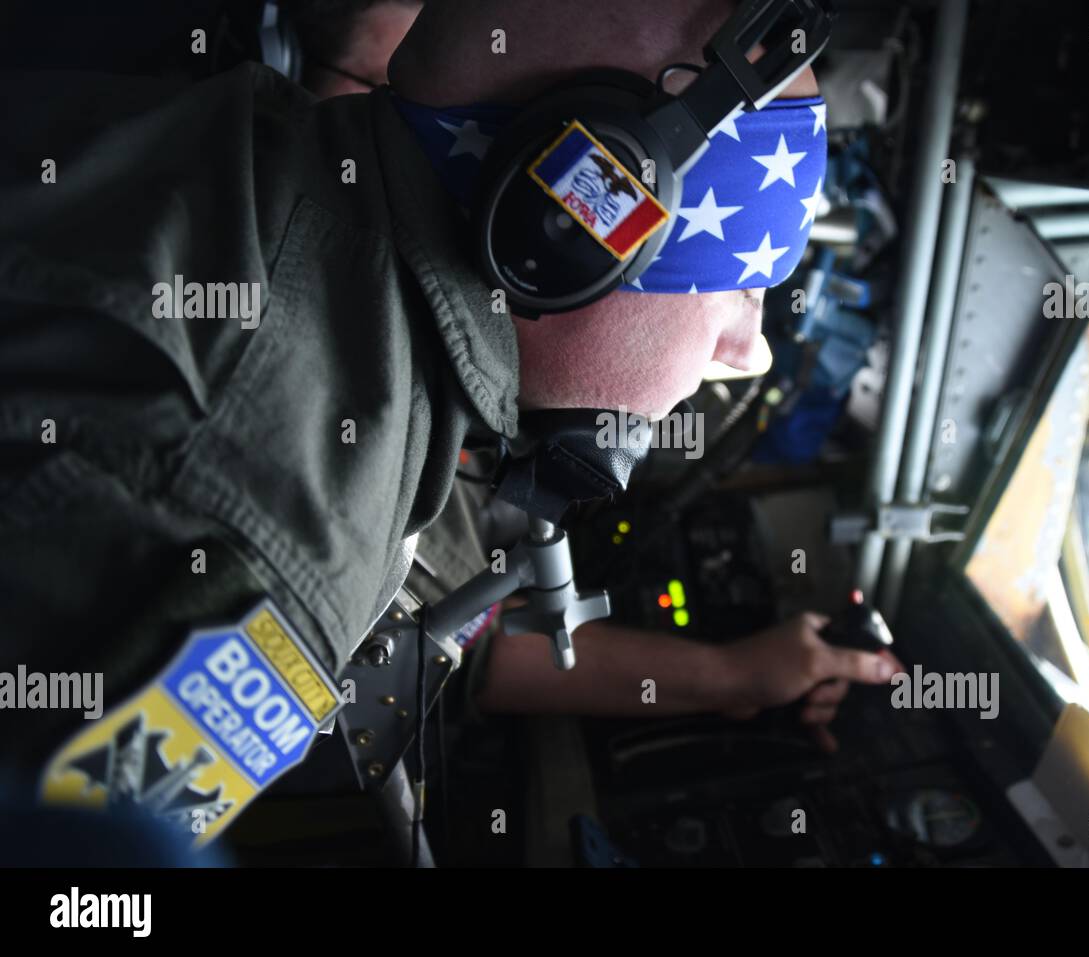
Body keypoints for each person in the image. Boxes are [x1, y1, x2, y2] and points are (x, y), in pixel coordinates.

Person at [0, 0, 901, 850]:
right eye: (745, 286)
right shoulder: (260, 538)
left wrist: (734, 676)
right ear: (576, 224)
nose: (753, 352)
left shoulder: (271, 155)